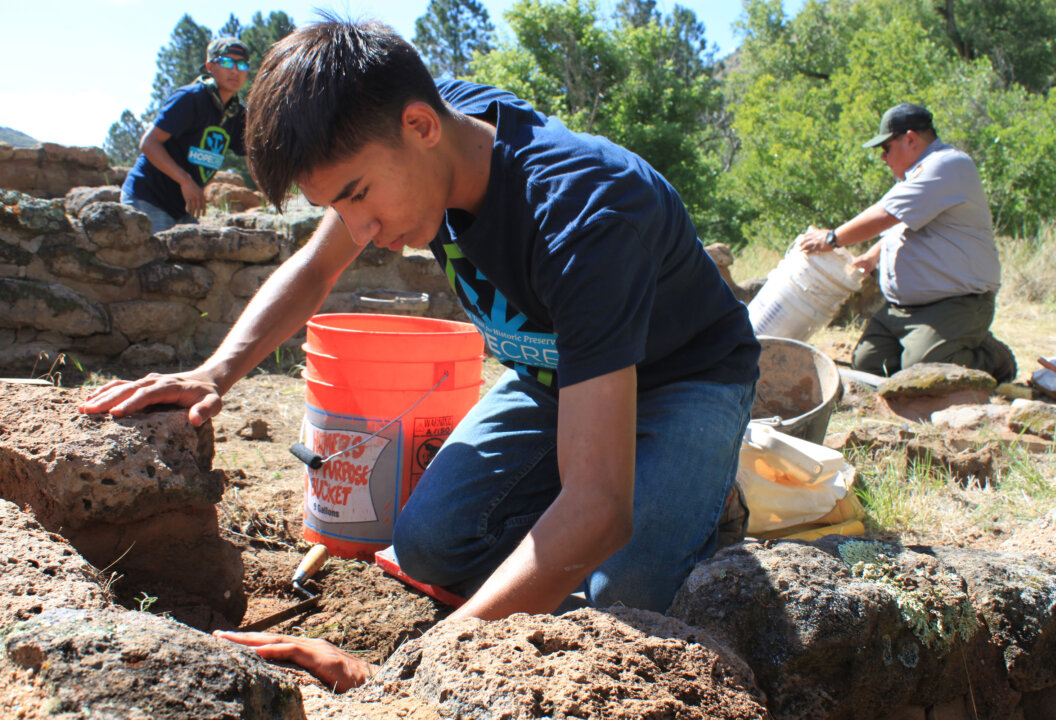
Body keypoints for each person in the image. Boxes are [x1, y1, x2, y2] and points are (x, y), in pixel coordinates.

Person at [80, 18, 760, 690]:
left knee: (621, 601)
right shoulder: (412, 127)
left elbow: (599, 510)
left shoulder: (585, 215)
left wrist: (407, 672)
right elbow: (315, 271)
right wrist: (213, 373)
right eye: (336, 207)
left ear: (421, 127)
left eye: (356, 197)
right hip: (556, 379)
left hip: (684, 379)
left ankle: (694, 497)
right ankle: (615, 481)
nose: (362, 232)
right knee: (430, 542)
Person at [795, 102, 1015, 382]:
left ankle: (992, 355)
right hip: (903, 308)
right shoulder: (916, 175)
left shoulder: (947, 164)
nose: (884, 158)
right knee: (868, 365)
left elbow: (887, 214)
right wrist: (874, 255)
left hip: (954, 303)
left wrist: (832, 238)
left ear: (909, 139)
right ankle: (944, 343)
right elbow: (902, 225)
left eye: (886, 149)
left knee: (923, 371)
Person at [119, 37, 250, 234]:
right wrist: (185, 180)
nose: (234, 70)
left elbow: (252, 153)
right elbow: (149, 143)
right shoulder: (190, 99)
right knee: (162, 262)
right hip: (147, 198)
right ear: (209, 67)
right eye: (226, 62)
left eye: (241, 64)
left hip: (182, 209)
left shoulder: (237, 114)